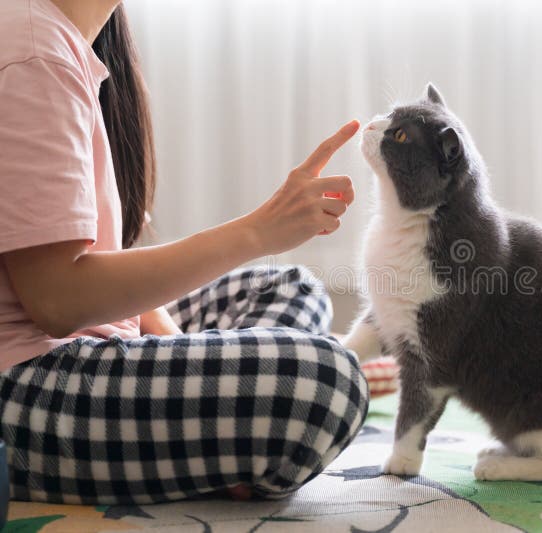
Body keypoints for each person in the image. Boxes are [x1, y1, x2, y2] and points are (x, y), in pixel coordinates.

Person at [0, 0, 369, 505]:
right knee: (326, 381)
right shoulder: (35, 51)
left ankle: (220, 442)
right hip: (24, 389)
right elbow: (58, 299)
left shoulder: (61, 40)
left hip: (86, 344)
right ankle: (231, 447)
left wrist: (180, 355)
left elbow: (103, 268)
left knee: (290, 287)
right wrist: (260, 230)